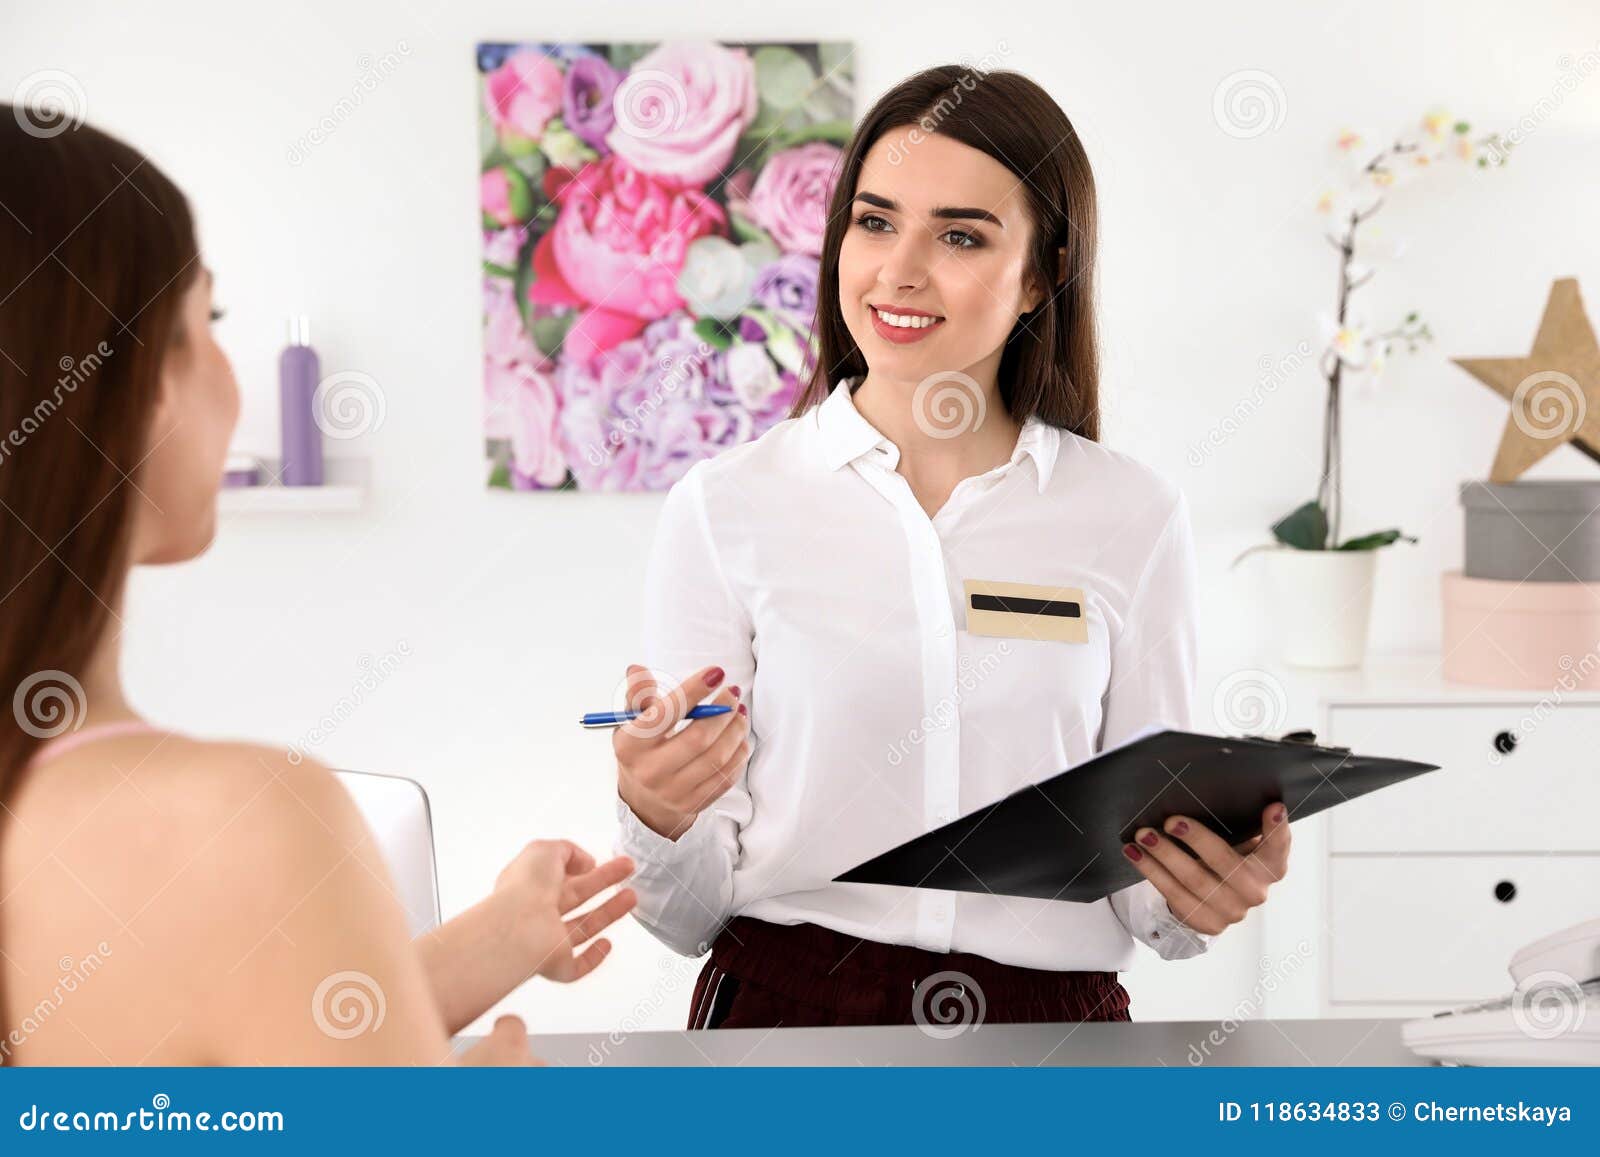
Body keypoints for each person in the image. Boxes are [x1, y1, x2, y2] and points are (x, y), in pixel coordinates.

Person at [610, 66, 1292, 1030]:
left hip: (1053, 1036)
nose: (899, 270)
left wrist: (1206, 882)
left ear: (1044, 274)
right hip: (787, 1019)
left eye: (961, 235)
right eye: (875, 221)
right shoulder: (726, 508)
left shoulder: (1131, 515)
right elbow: (683, 918)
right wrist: (656, 810)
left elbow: (1154, 909)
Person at [0, 108, 635, 1065]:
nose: (229, 371)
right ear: (133, 382)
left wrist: (506, 930)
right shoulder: (240, 822)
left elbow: (194, 1077)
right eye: (203, 320)